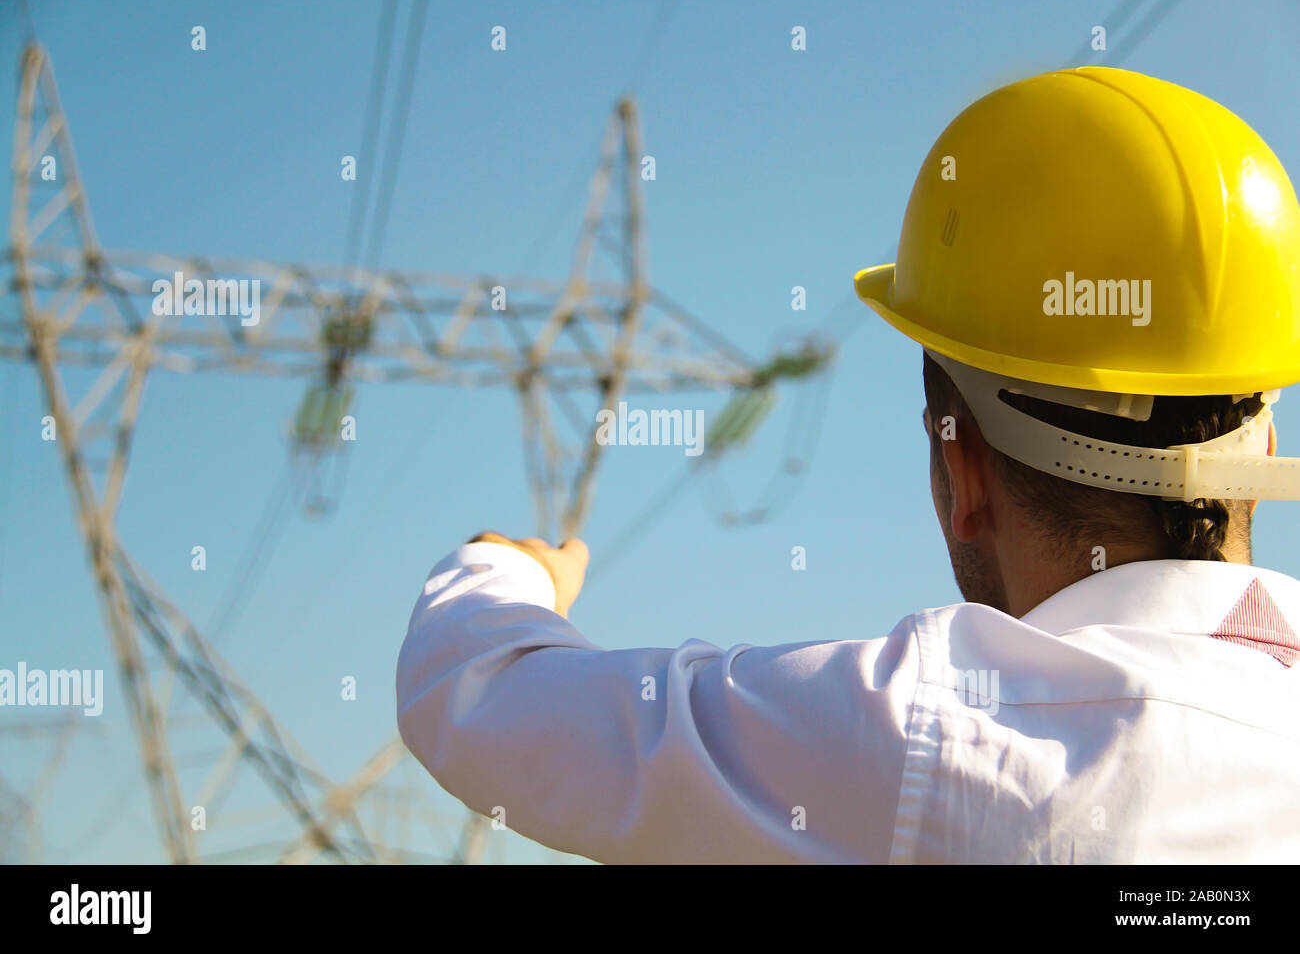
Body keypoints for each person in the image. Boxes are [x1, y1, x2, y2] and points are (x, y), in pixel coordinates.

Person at [395, 67, 1300, 863]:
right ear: (1261, 445)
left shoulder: (941, 738)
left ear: (964, 469)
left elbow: (482, 699)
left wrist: (509, 571)